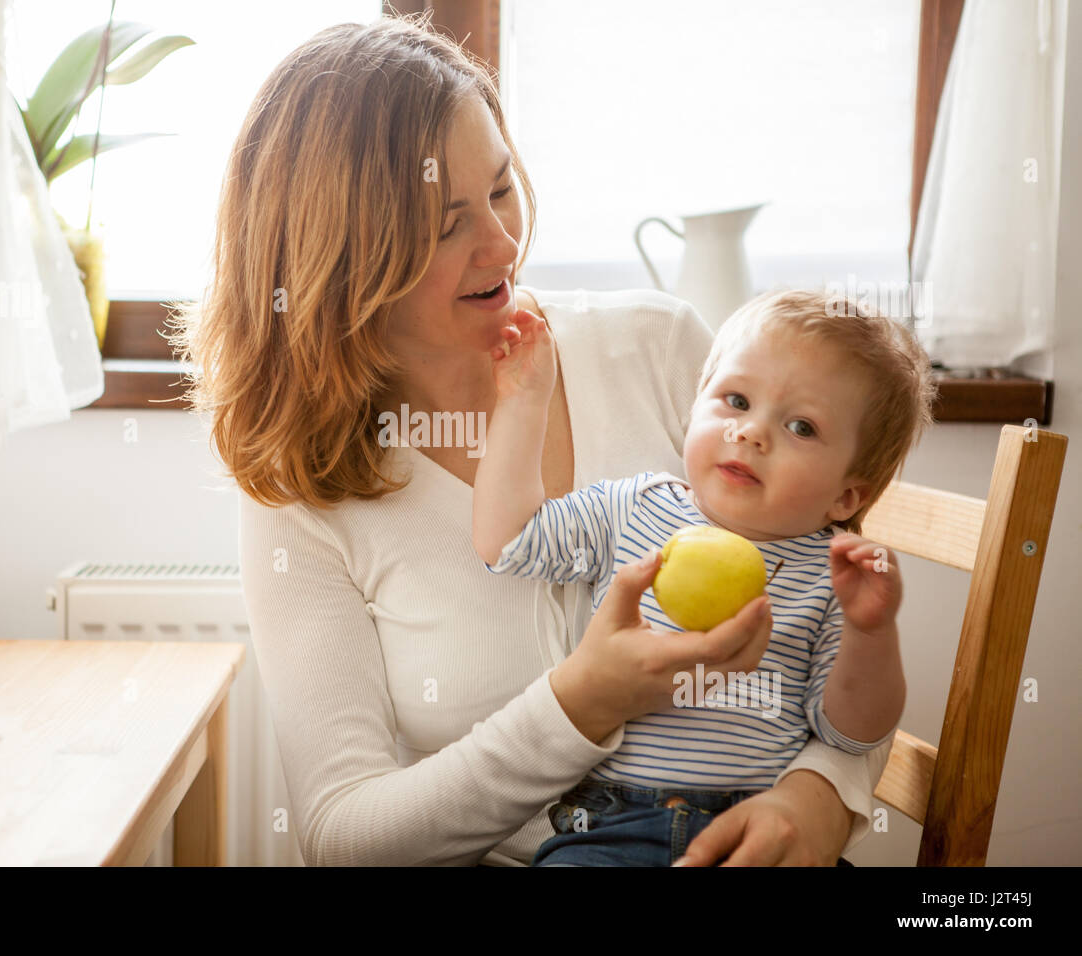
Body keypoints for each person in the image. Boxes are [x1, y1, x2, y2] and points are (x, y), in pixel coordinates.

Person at [169, 12, 895, 866]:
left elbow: (835, 623)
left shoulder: (665, 355)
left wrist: (817, 797)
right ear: (339, 263)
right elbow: (342, 833)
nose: (504, 243)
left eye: (503, 189)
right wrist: (578, 704)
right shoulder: (303, 490)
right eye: (446, 224)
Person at [472, 290, 937, 866]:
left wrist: (871, 634)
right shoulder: (635, 508)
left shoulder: (834, 576)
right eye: (736, 400)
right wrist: (523, 403)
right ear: (694, 408)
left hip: (759, 831)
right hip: (610, 827)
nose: (751, 432)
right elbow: (511, 541)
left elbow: (852, 737)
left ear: (847, 494)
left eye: (801, 427)